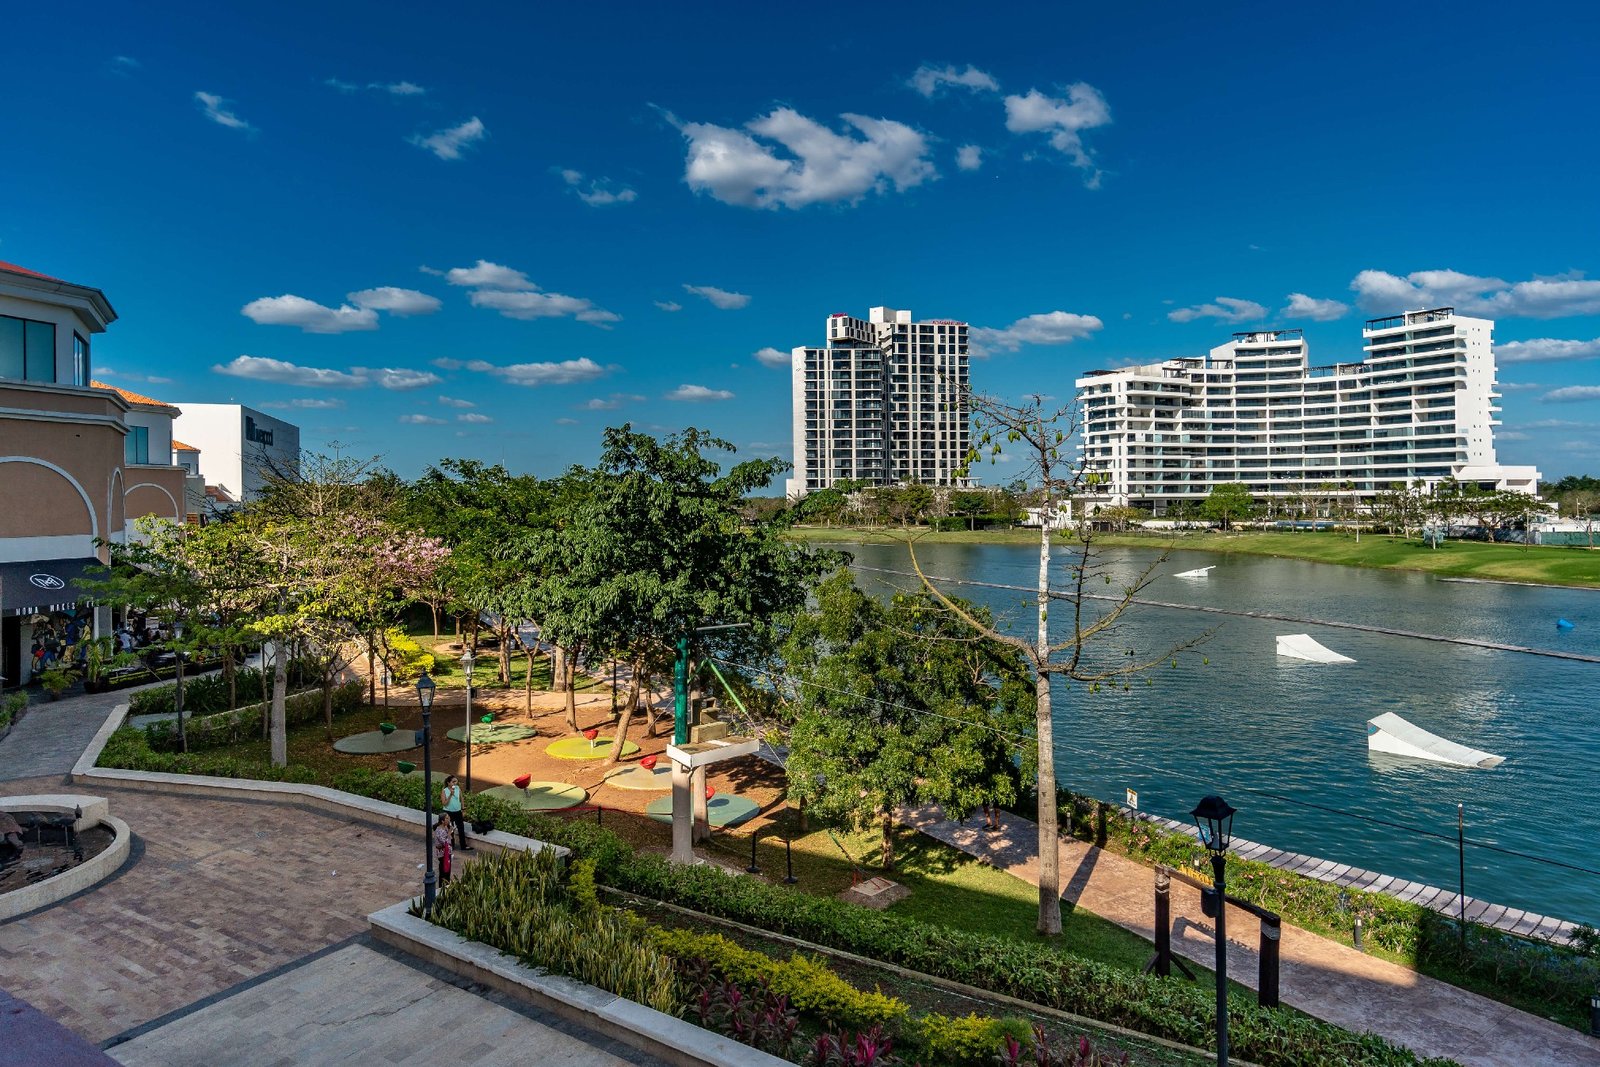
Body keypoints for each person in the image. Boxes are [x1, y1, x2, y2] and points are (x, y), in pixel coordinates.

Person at [440, 775, 472, 851]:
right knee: (450, 829)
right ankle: (451, 845)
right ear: (448, 782)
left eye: (456, 781)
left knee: (461, 828)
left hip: (457, 812)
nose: (455, 783)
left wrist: (463, 809)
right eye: (453, 781)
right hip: (448, 812)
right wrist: (450, 795)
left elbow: (461, 798)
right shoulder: (445, 791)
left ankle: (463, 846)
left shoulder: (458, 788)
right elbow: (444, 803)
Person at [433, 816, 453, 885]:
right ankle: (442, 886)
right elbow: (445, 842)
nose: (449, 820)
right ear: (442, 821)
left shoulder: (446, 827)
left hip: (448, 852)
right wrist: (449, 833)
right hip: (442, 854)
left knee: (448, 871)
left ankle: (447, 885)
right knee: (443, 871)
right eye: (447, 818)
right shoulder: (439, 830)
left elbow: (450, 839)